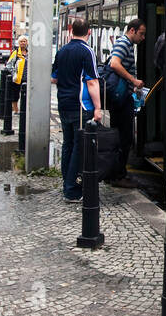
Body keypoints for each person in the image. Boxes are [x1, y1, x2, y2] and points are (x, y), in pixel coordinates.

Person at [51, 18, 103, 202]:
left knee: (68, 144)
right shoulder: (86, 52)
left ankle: (67, 182)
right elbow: (92, 81)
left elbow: (54, 78)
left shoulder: (62, 51)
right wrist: (97, 108)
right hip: (80, 105)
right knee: (78, 147)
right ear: (88, 32)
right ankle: (72, 190)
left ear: (71, 30)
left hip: (63, 103)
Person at [105, 19, 145, 186]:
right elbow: (114, 63)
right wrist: (133, 80)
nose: (143, 38)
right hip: (121, 100)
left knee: (122, 137)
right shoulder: (123, 43)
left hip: (123, 96)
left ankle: (116, 173)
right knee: (123, 138)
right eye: (141, 33)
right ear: (132, 31)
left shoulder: (127, 44)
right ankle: (117, 176)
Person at [7, 35, 29, 113]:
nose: (23, 43)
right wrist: (14, 74)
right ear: (19, 43)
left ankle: (25, 110)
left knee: (26, 95)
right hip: (18, 78)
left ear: (27, 43)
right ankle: (16, 109)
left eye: (24, 41)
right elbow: (9, 65)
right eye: (21, 41)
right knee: (15, 95)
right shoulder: (15, 53)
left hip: (27, 78)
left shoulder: (30, 53)